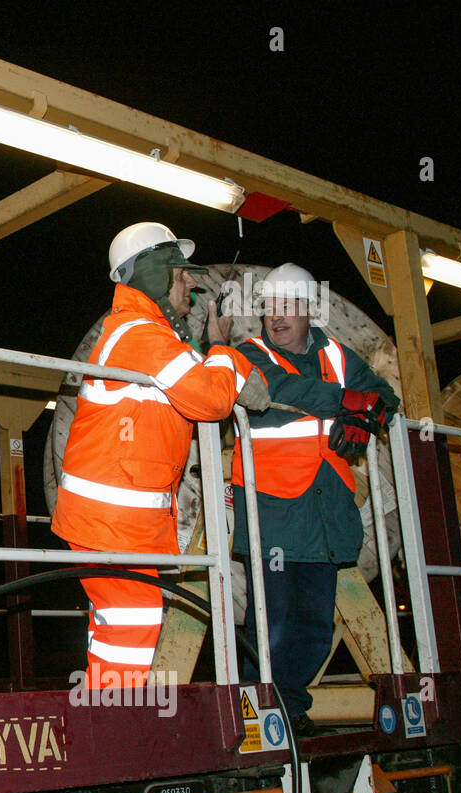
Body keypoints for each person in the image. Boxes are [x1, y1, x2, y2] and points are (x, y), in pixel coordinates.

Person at [52, 222, 270, 689]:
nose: (192, 284)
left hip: (116, 522)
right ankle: (116, 734)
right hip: (112, 522)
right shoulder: (139, 337)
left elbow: (199, 377)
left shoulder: (147, 336)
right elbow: (210, 399)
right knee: (131, 626)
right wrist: (225, 353)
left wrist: (217, 354)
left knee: (119, 626)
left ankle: (109, 725)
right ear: (151, 274)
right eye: (180, 274)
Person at [230, 263, 397, 736]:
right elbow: (278, 390)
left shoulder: (338, 356)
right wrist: (350, 404)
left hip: (324, 514)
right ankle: (254, 718)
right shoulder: (249, 354)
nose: (275, 318)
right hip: (275, 514)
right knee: (273, 625)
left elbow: (383, 395)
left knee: (314, 630)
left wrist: (364, 419)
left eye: (287, 307)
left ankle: (289, 711)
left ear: (308, 311)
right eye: (268, 309)